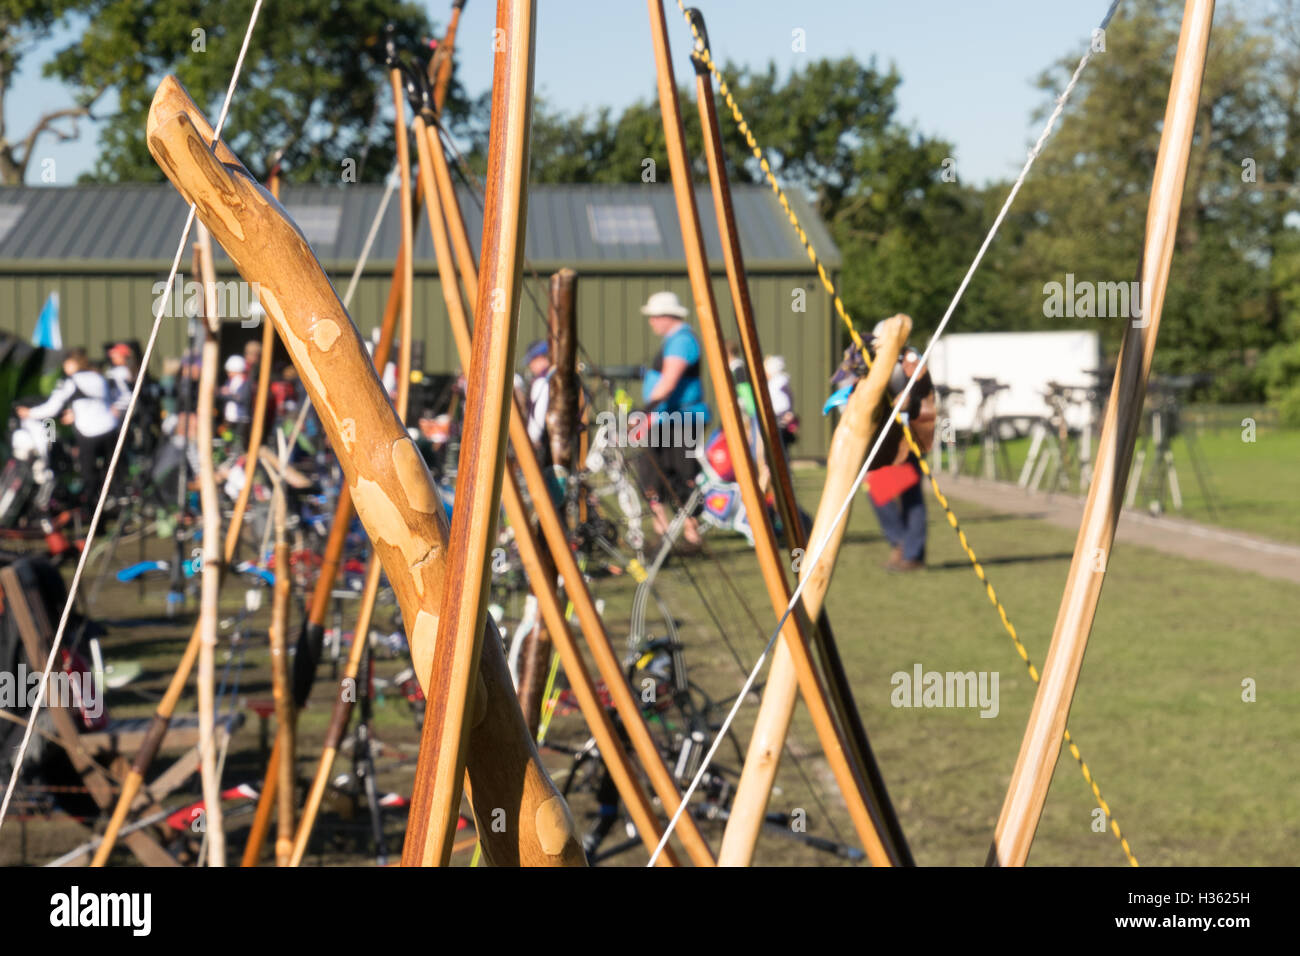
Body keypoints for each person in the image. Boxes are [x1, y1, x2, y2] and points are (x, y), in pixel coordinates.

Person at [635, 291, 709, 547]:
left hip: (681, 420)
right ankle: (664, 530)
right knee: (653, 471)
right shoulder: (675, 340)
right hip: (669, 419)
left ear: (667, 316)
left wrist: (647, 411)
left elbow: (668, 382)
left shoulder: (681, 341)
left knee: (680, 475)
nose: (651, 322)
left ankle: (690, 533)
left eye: (654, 317)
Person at [864, 322, 936, 572]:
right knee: (877, 489)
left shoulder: (910, 358)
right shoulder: (871, 358)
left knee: (910, 494)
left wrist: (909, 398)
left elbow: (922, 389)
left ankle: (912, 553)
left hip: (909, 434)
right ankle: (902, 545)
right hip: (885, 437)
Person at [16, 348, 119, 510]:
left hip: (88, 432)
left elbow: (51, 409)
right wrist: (75, 413)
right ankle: (116, 505)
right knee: (111, 471)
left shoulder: (71, 382)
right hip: (110, 428)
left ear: (73, 363)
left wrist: (29, 413)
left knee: (89, 475)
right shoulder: (98, 377)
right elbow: (101, 403)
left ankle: (92, 512)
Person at [521, 339, 552, 459]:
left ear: (542, 358)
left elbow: (538, 414)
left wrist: (532, 439)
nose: (530, 365)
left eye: (532, 361)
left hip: (546, 443)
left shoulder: (541, 382)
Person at [105, 343, 137, 421]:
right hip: (132, 406)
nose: (113, 357)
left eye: (116, 355)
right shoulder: (132, 370)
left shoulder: (115, 372)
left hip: (119, 407)